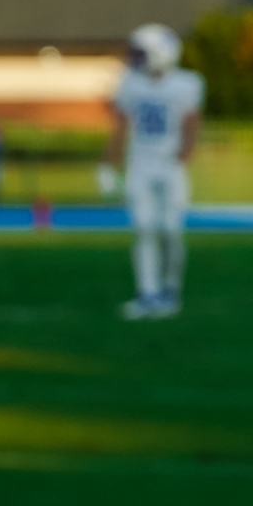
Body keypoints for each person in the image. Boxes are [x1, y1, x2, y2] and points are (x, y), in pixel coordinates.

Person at [98, 23, 204, 320]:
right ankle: (148, 294)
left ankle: (170, 290)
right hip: (141, 166)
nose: (135, 57)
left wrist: (183, 156)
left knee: (170, 230)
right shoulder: (130, 83)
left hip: (170, 167)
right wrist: (108, 165)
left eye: (141, 52)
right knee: (144, 229)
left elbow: (191, 123)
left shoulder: (187, 84)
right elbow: (120, 126)